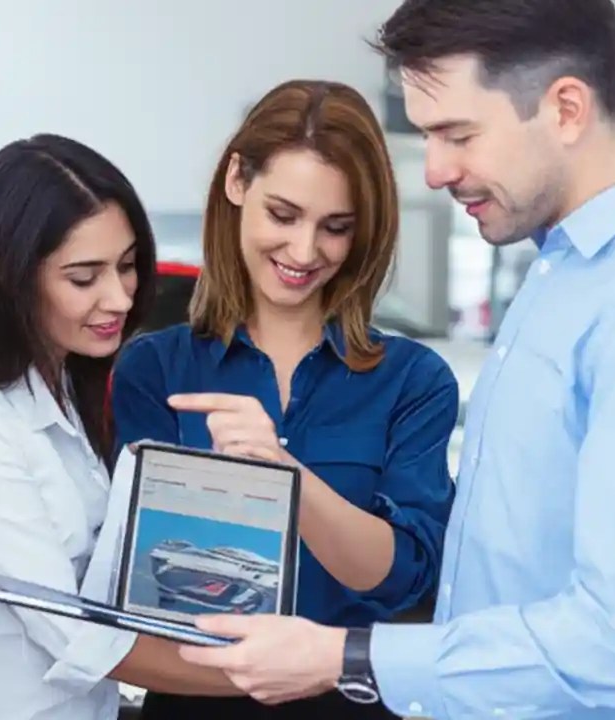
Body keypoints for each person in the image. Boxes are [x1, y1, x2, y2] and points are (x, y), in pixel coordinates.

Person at [174, 2, 615, 719]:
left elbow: (614, 639)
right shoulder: (567, 274)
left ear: (565, 109)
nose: (436, 171)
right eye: (427, 136)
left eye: (457, 134)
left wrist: (344, 656)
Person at [109, 79, 459, 719]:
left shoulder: (414, 381)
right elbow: (135, 589)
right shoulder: (155, 370)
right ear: (236, 181)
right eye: (283, 215)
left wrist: (283, 475)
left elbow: (404, 579)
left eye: (336, 227)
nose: (304, 251)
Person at [0, 133, 246, 720]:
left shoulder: (62, 391)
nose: (119, 298)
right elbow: (79, 633)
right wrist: (287, 673)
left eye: (126, 266)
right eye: (84, 278)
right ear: (12, 280)